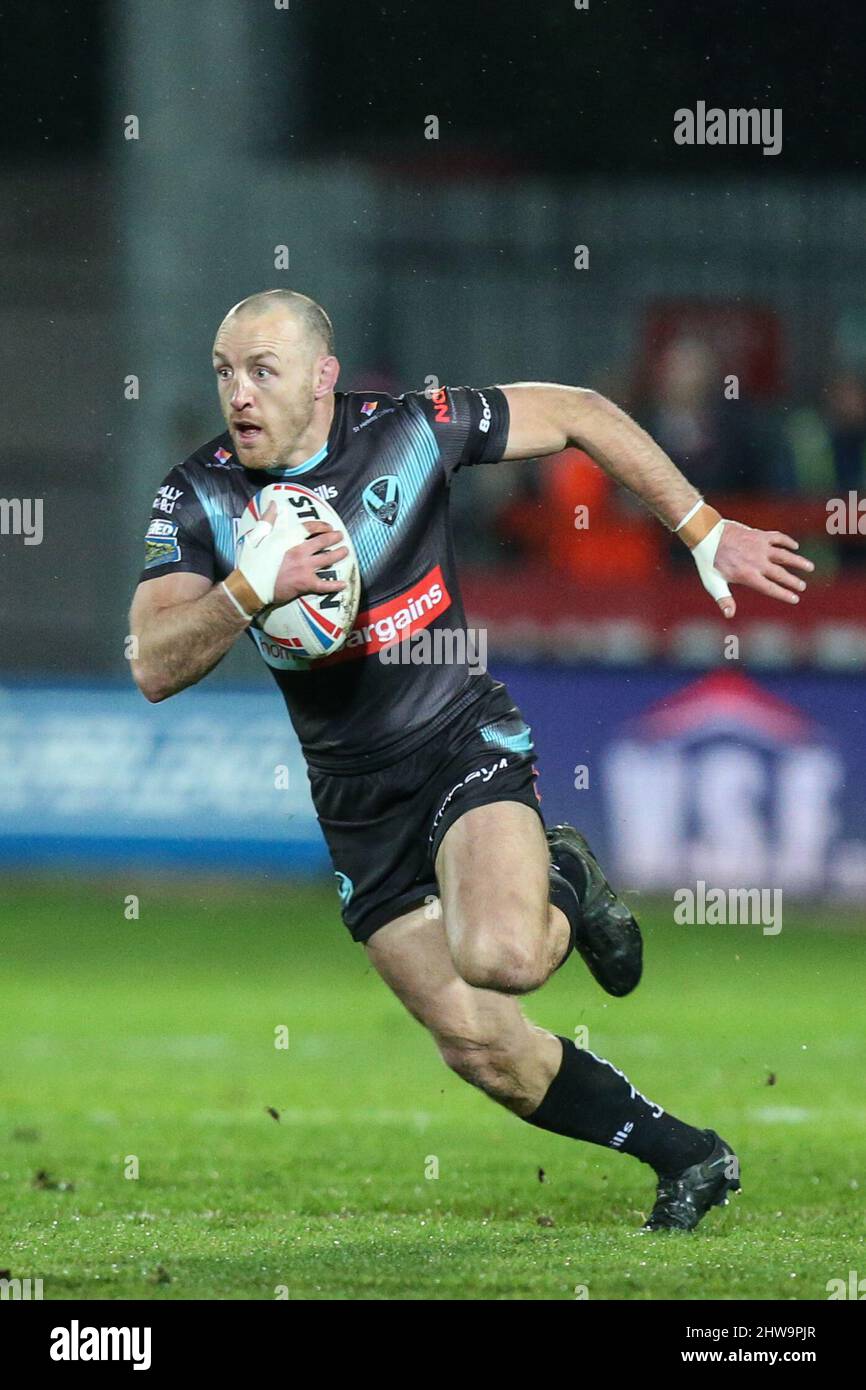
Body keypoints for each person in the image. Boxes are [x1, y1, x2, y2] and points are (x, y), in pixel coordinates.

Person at [129, 289, 813, 1231]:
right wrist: (251, 587)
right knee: (481, 1046)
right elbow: (154, 664)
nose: (237, 394)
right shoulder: (198, 494)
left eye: (262, 371)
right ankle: (690, 1157)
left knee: (501, 958)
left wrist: (702, 529)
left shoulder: (413, 430)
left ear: (323, 378)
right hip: (356, 804)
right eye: (224, 373)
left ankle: (563, 873)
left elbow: (577, 410)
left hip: (458, 740)